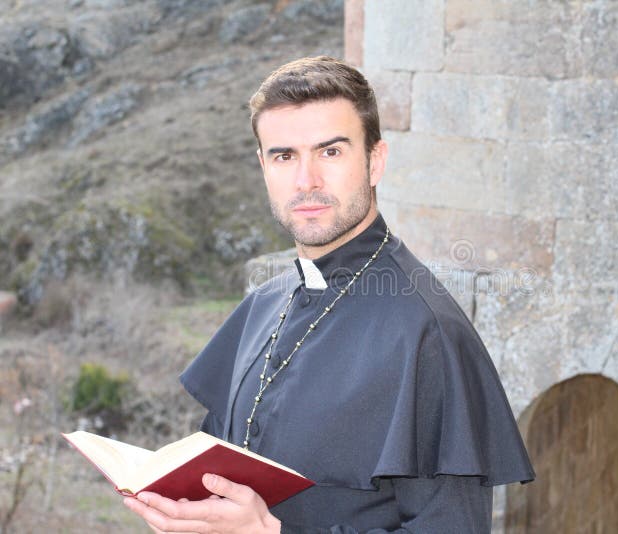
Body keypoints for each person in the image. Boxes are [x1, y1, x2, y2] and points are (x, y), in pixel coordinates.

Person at [124, 56, 534, 533]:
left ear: (375, 160)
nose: (307, 181)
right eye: (285, 156)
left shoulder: (427, 333)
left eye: (331, 152)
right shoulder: (262, 304)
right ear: (263, 167)